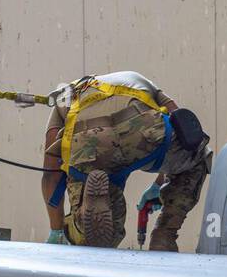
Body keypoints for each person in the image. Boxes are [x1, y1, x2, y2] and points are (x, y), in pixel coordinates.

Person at [40, 70, 211, 250]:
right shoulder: (135, 78)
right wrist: (159, 184)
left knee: (99, 229)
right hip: (142, 132)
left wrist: (56, 230)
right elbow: (185, 131)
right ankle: (164, 234)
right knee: (198, 156)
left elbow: (51, 172)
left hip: (90, 147)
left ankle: (89, 215)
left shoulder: (66, 95)